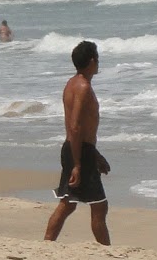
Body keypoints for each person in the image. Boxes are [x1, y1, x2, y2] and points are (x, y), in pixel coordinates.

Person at [44, 39, 111, 245]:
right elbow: (75, 126)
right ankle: (106, 250)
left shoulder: (72, 83)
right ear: (92, 61)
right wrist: (79, 164)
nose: (98, 63)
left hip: (78, 149)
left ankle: (47, 243)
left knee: (68, 203)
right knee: (99, 206)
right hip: (79, 151)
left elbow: (80, 126)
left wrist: (95, 155)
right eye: (97, 59)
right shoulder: (82, 87)